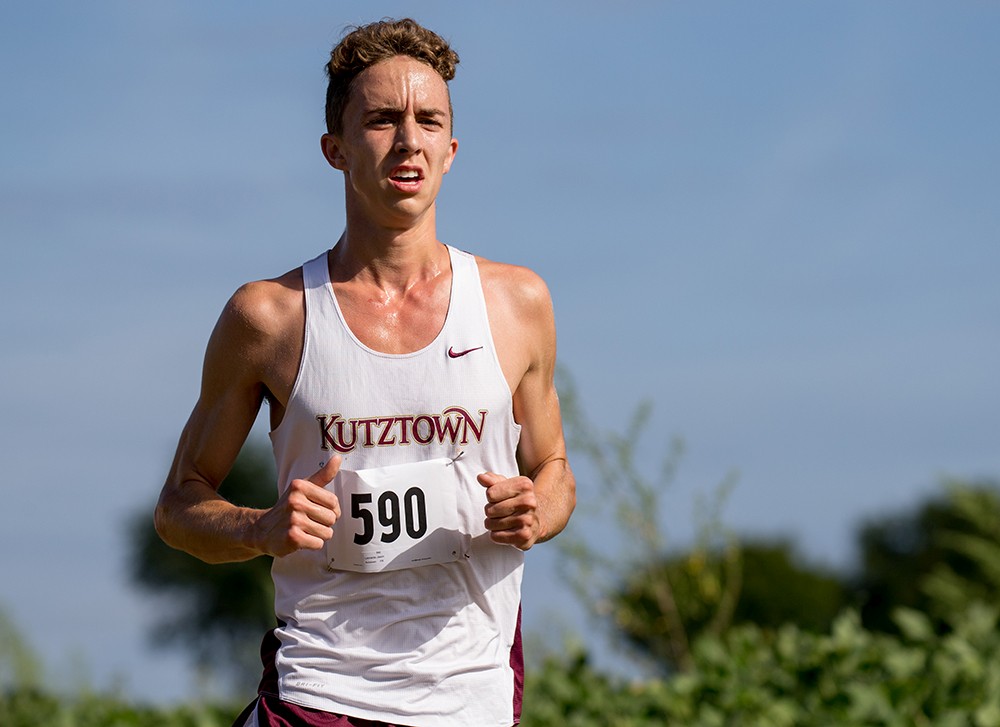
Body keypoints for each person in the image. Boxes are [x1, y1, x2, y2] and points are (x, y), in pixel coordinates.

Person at [154, 17, 575, 727]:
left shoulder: (517, 302)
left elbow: (555, 469)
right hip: (319, 691)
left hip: (470, 694)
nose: (409, 140)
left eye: (428, 120)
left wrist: (537, 510)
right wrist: (261, 527)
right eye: (382, 119)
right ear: (336, 149)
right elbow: (177, 507)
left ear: (451, 149)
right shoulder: (270, 316)